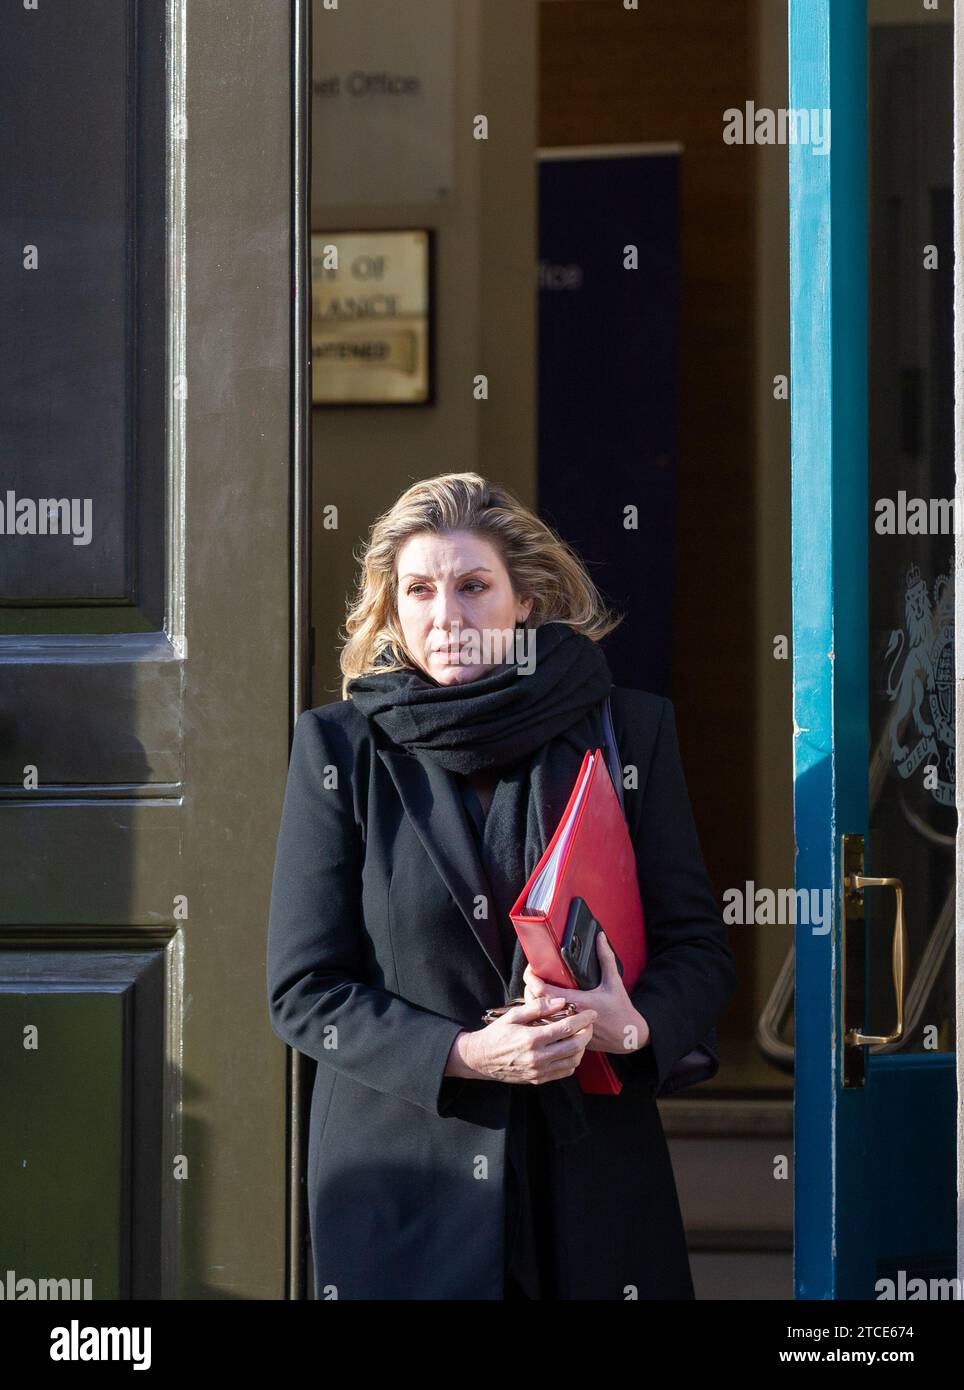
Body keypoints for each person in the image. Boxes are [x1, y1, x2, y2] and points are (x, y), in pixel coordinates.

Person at [266, 471, 737, 1300]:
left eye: (474, 587)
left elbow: (699, 950)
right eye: (419, 590)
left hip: (590, 1185)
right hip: (404, 1189)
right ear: (393, 607)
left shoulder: (628, 729)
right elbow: (304, 989)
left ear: (525, 601)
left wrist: (630, 1027)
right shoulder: (337, 751)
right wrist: (468, 1054)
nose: (446, 618)